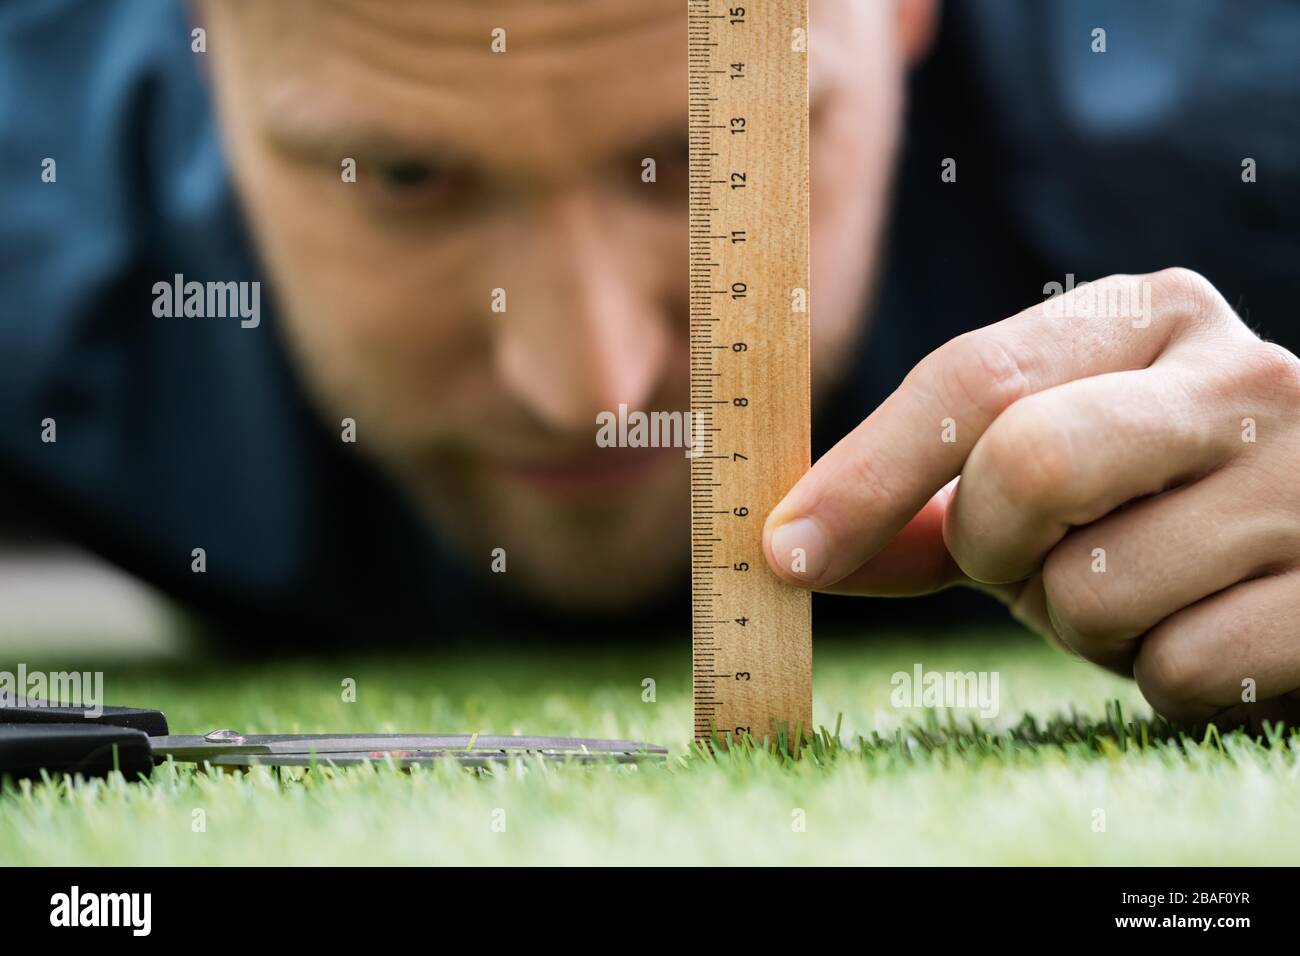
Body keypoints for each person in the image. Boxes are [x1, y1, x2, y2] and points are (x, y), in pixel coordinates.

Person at [1, 1, 1297, 724]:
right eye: (403, 177)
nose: (590, 391)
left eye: (692, 160)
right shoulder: (28, 201)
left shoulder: (1241, 118)